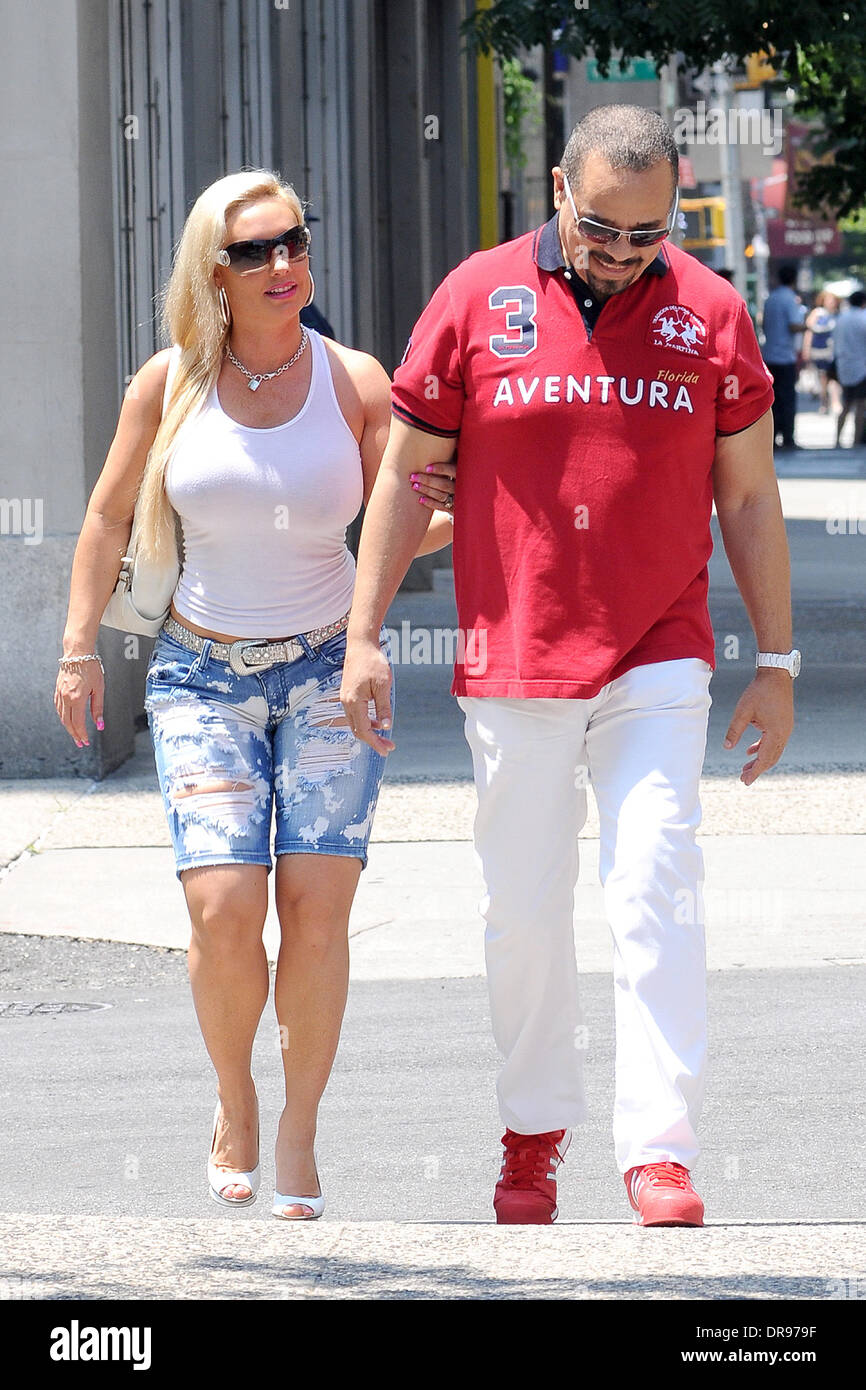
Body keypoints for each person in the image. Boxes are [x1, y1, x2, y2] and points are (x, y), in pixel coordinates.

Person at [341, 104, 799, 1228]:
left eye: (647, 234)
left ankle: (658, 1152)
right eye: (600, 228)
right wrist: (362, 635)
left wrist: (777, 659)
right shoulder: (475, 296)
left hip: (657, 654)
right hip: (514, 654)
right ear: (557, 187)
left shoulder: (710, 313)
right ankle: (531, 1133)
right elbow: (408, 477)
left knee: (653, 891)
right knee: (523, 910)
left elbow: (743, 495)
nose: (620, 252)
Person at [54, 169, 456, 1220]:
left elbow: (392, 526)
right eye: (255, 251)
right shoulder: (168, 383)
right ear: (212, 272)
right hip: (198, 674)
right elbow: (103, 521)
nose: (284, 265)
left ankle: (298, 1125)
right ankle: (233, 1096)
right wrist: (77, 649)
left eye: (293, 243)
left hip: (329, 668)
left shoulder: (357, 381)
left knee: (316, 916)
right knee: (224, 910)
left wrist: (487, 504)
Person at [761, 263, 807, 450]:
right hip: (785, 356)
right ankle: (788, 437)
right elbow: (794, 325)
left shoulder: (770, 298)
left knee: (771, 400)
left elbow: (764, 324)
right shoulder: (790, 299)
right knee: (787, 398)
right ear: (794, 280)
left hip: (769, 354)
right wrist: (809, 326)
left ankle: (771, 438)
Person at [832, 289, 866, 448]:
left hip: (843, 367)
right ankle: (856, 440)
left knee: (846, 404)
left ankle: (837, 439)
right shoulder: (863, 318)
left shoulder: (840, 319)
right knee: (861, 405)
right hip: (861, 367)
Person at [802, 289, 841, 416]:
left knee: (833, 378)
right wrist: (806, 349)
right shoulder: (817, 313)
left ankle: (834, 402)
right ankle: (824, 402)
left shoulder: (837, 315)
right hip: (819, 351)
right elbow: (809, 331)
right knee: (823, 378)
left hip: (833, 351)